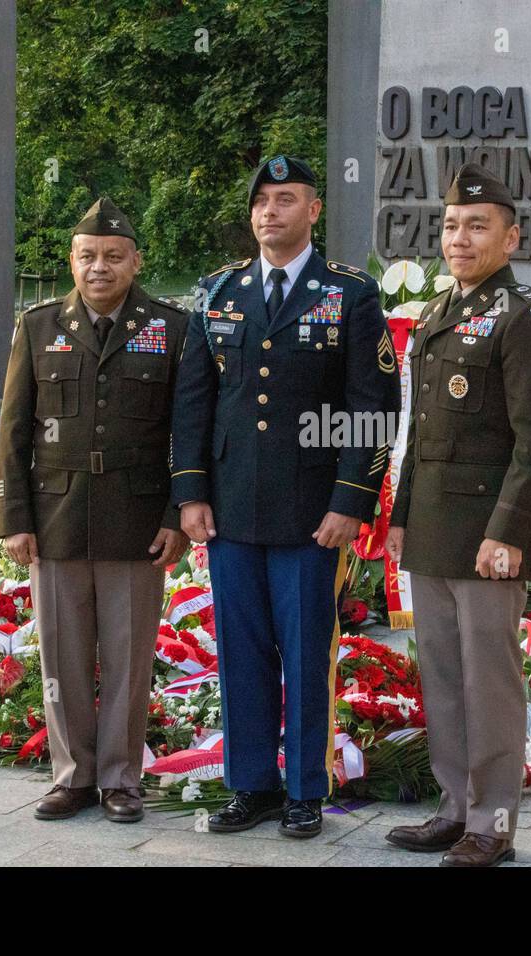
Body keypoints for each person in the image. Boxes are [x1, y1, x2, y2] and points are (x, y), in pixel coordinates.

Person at [171, 156, 400, 838]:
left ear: (314, 211)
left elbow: (372, 409)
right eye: (262, 201)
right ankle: (253, 787)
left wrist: (350, 500)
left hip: (312, 513)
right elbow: (192, 405)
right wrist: (190, 495)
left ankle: (305, 789)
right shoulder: (218, 294)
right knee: (240, 653)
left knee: (305, 652)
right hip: (232, 507)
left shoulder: (349, 295)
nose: (271, 211)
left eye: (287, 199)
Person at [384, 163, 531, 866]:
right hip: (431, 531)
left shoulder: (525, 316)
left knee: (489, 680)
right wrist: (401, 516)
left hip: (487, 536)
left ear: (511, 237)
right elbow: (420, 434)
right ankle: (455, 807)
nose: (460, 238)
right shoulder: (437, 313)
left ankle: (491, 823)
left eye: (477, 226)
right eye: (452, 225)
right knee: (443, 674)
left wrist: (507, 531)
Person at [0, 197, 189, 823]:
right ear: (72, 263)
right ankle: (72, 775)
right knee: (63, 655)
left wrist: (174, 512)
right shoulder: (38, 326)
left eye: (112, 257)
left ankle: (121, 779)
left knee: (130, 659)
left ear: (135, 261)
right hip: (55, 517)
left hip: (137, 520)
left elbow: (187, 433)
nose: (99, 267)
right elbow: (13, 433)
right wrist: (15, 518)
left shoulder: (170, 329)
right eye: (87, 257)